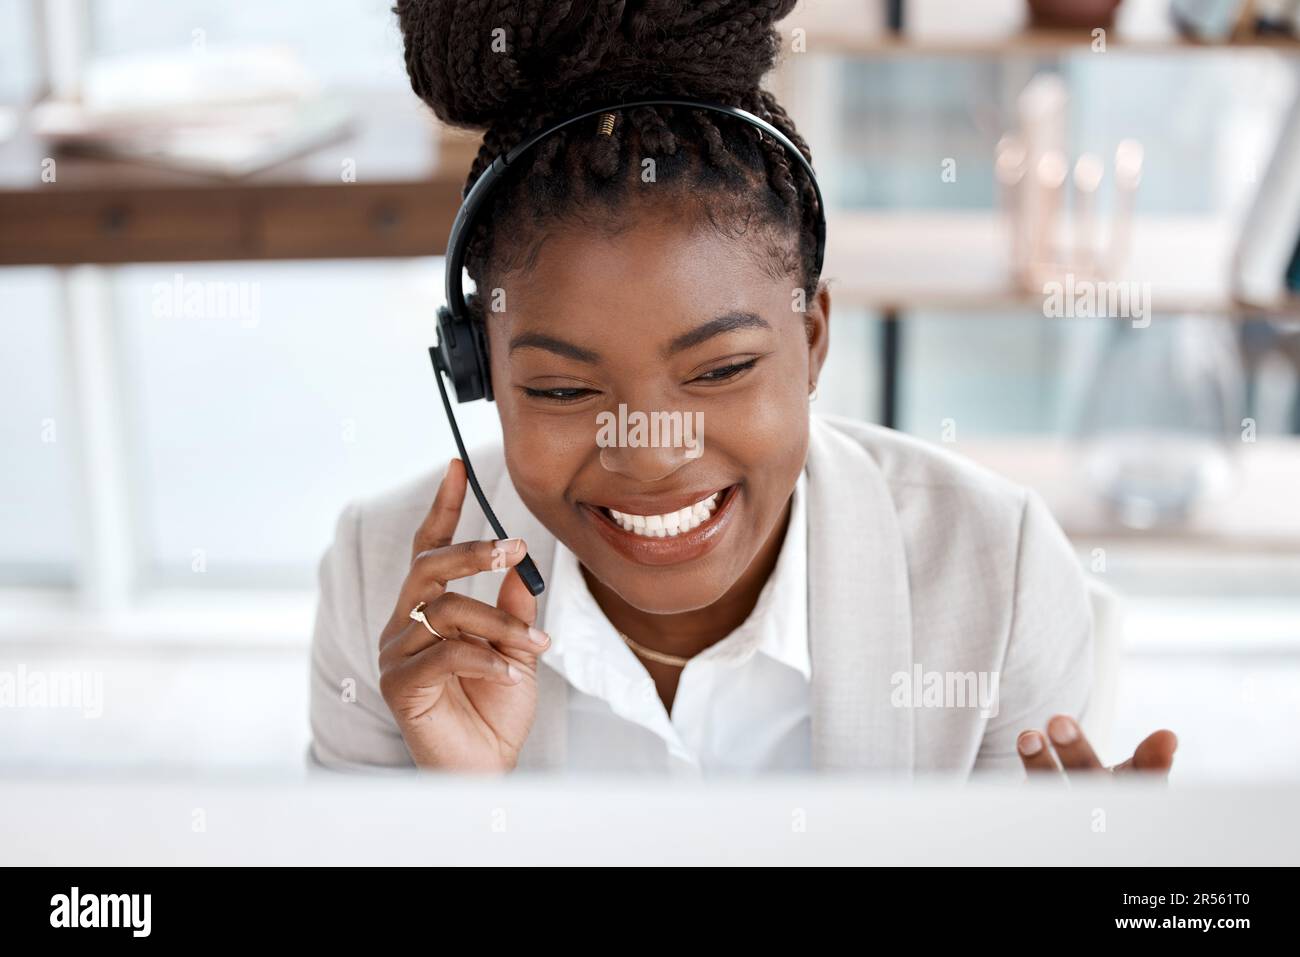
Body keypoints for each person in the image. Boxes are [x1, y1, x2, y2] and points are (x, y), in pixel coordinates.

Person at [309, 0, 1176, 779]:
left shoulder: (997, 574)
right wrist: (459, 818)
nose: (650, 453)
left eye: (720, 371)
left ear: (811, 340)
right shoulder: (378, 587)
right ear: (478, 376)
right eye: (566, 389)